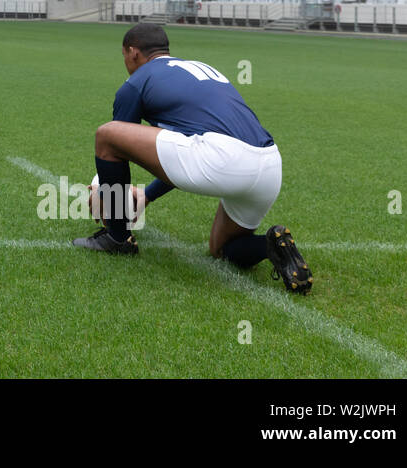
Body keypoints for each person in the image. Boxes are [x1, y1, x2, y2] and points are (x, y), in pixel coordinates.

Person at [73, 23, 313, 295]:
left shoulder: (136, 83)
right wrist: (148, 195)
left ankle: (117, 238)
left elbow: (118, 141)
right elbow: (185, 148)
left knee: (106, 135)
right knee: (222, 248)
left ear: (133, 52)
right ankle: (270, 246)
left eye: (124, 55)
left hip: (221, 158)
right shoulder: (201, 69)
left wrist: (100, 189)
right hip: (269, 164)